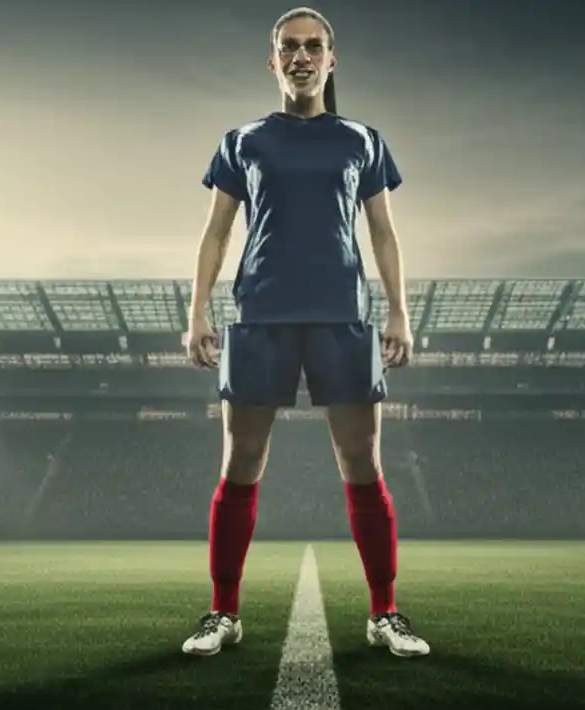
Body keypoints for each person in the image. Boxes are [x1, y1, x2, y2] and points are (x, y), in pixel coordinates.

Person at [180, 6, 429, 659]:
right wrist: (197, 311)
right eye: (289, 47)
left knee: (361, 464)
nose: (301, 56)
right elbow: (215, 233)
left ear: (331, 58)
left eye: (313, 46)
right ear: (273, 61)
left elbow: (383, 233)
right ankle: (222, 613)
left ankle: (385, 613)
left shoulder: (362, 140)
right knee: (240, 463)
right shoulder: (242, 141)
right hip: (260, 314)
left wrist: (398, 310)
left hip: (342, 316)